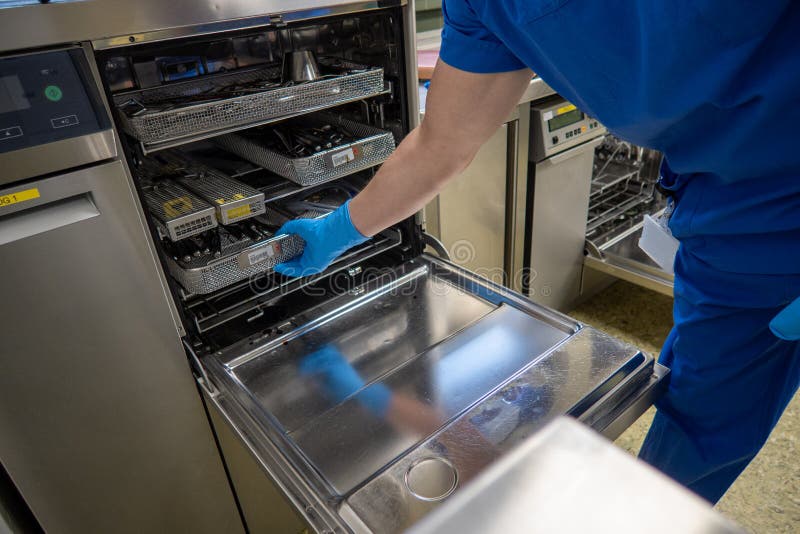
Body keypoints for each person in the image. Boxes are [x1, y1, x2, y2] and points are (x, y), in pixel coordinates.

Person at [275, 0, 800, 503]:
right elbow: (442, 144)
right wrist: (339, 230)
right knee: (695, 417)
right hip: (724, 211)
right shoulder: (483, 5)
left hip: (783, 195)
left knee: (707, 426)